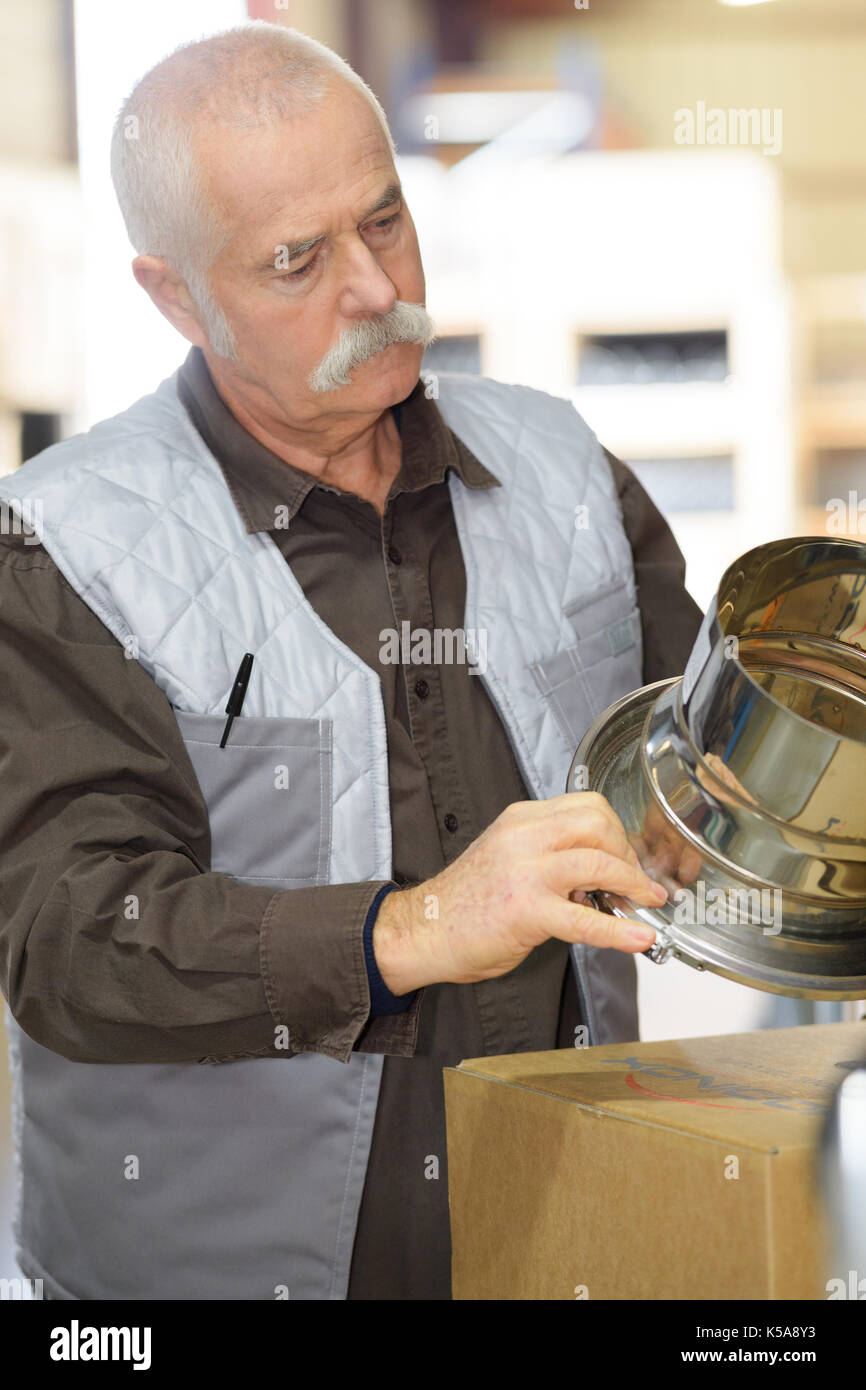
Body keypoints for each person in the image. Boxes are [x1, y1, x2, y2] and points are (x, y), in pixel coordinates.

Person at [0, 22, 703, 1301]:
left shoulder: (562, 468)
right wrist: (417, 924)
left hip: (557, 1246)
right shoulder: (62, 545)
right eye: (295, 260)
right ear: (174, 294)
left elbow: (697, 770)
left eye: (383, 221)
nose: (375, 289)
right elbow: (73, 940)